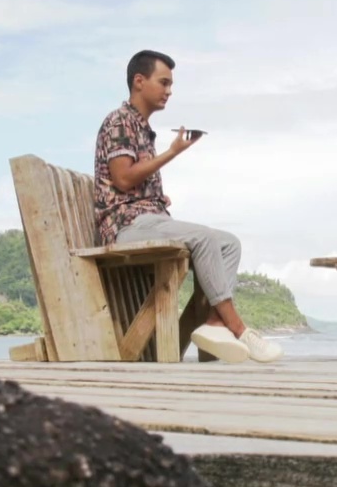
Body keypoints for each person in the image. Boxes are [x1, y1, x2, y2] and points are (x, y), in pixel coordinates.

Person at [93, 49, 284, 364]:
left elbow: (131, 181)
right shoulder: (119, 121)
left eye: (170, 84)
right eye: (163, 82)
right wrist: (172, 152)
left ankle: (214, 326)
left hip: (147, 219)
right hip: (125, 228)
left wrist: (156, 197)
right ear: (139, 81)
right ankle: (240, 330)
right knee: (204, 237)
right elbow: (123, 179)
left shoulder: (142, 128)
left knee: (229, 244)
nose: (169, 91)